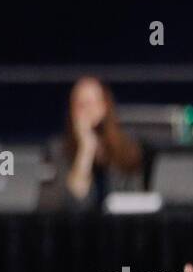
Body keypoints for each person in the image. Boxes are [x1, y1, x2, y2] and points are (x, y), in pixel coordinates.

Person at [39, 77, 142, 211]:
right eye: (81, 105)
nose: (88, 110)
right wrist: (86, 149)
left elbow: (136, 199)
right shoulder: (57, 150)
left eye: (93, 103)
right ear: (72, 111)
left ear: (105, 106)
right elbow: (74, 203)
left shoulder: (126, 147)